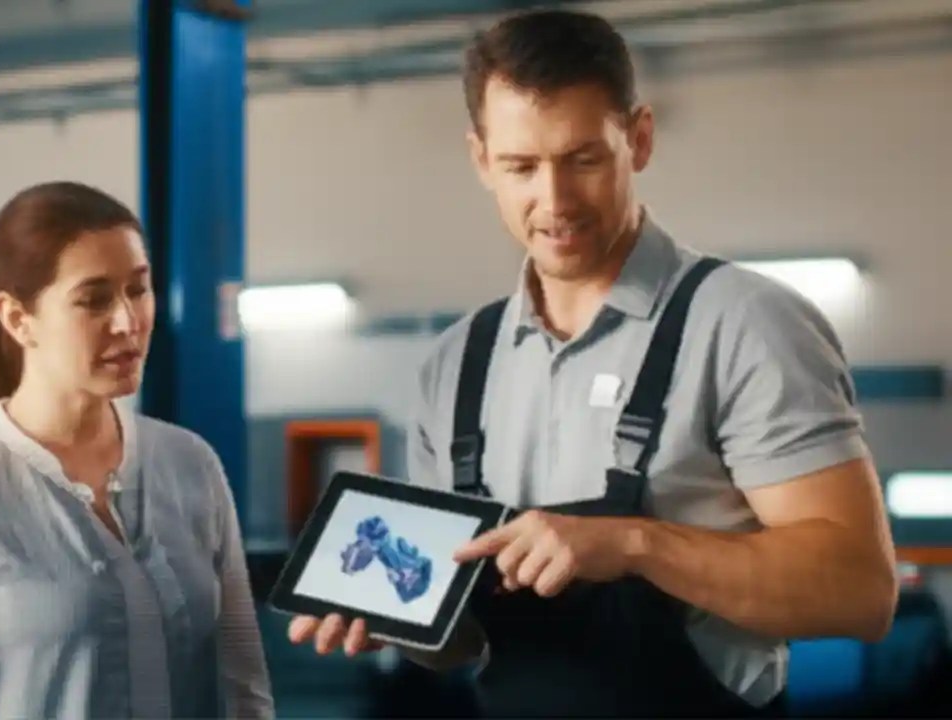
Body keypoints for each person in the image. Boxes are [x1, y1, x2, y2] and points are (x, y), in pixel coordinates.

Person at [289, 8, 898, 717]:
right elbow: (461, 641)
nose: (555, 202)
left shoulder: (744, 325)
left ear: (638, 139)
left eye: (583, 158)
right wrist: (390, 619)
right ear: (482, 159)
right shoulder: (456, 366)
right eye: (522, 166)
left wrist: (635, 544)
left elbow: (861, 593)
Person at [0, 181, 274, 719]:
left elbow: (244, 687)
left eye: (138, 289)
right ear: (17, 319)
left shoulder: (191, 464)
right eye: (94, 299)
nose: (128, 322)